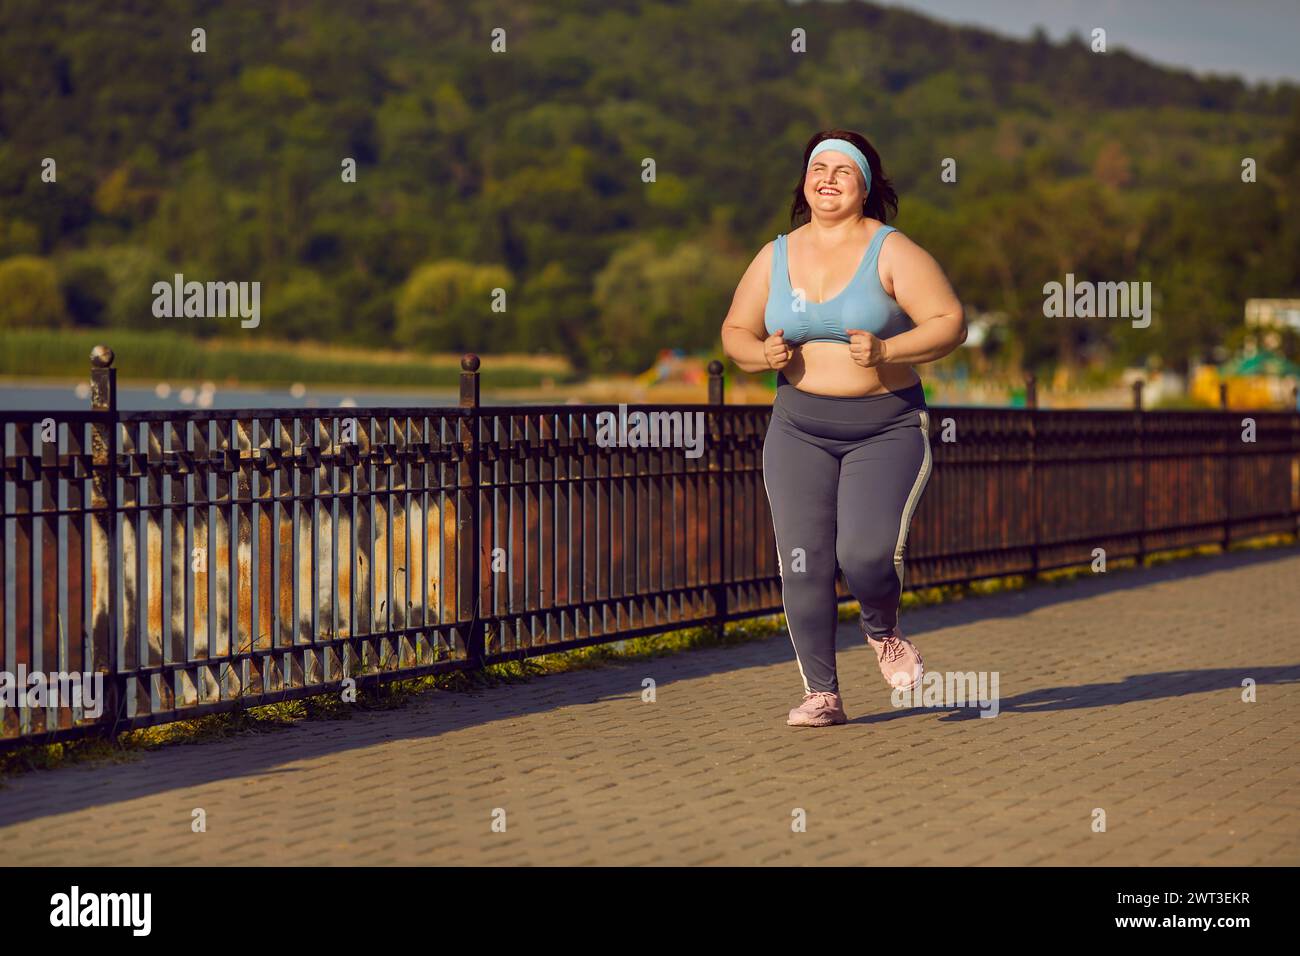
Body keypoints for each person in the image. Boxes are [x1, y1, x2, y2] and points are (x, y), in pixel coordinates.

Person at [720, 129, 967, 727]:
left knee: (865, 555)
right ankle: (822, 693)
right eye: (817, 168)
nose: (827, 178)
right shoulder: (775, 254)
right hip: (798, 428)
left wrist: (888, 349)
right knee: (802, 561)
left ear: (865, 187)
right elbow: (734, 333)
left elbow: (950, 321)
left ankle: (882, 632)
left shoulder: (891, 250)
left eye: (843, 170)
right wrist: (761, 356)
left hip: (884, 428)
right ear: (805, 182)